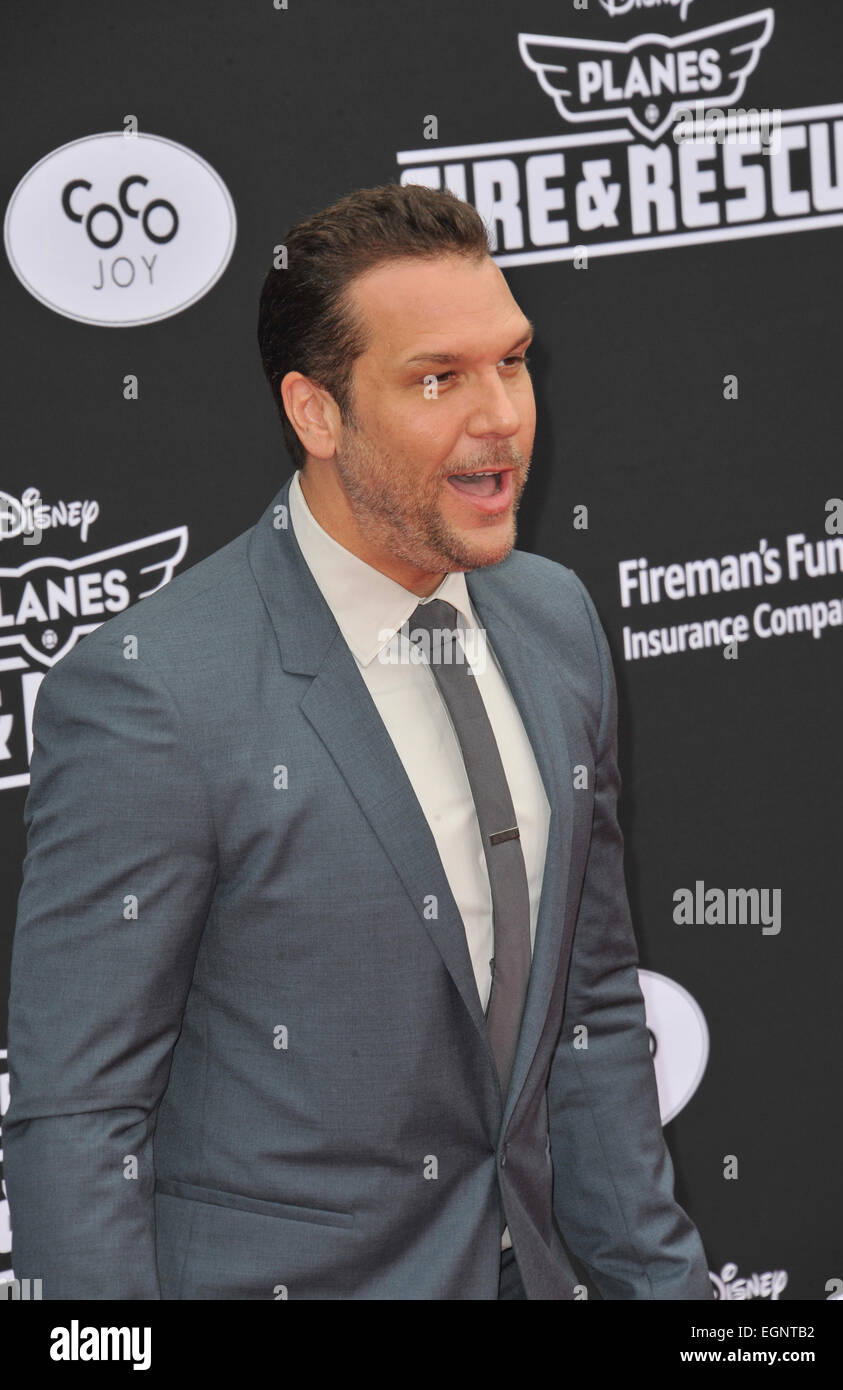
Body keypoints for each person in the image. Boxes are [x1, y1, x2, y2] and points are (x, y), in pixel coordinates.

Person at [4, 182, 713, 1300]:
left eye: (512, 361)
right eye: (437, 378)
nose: (502, 419)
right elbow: (79, 1120)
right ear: (317, 413)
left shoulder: (555, 621)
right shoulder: (154, 696)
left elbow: (589, 1015)